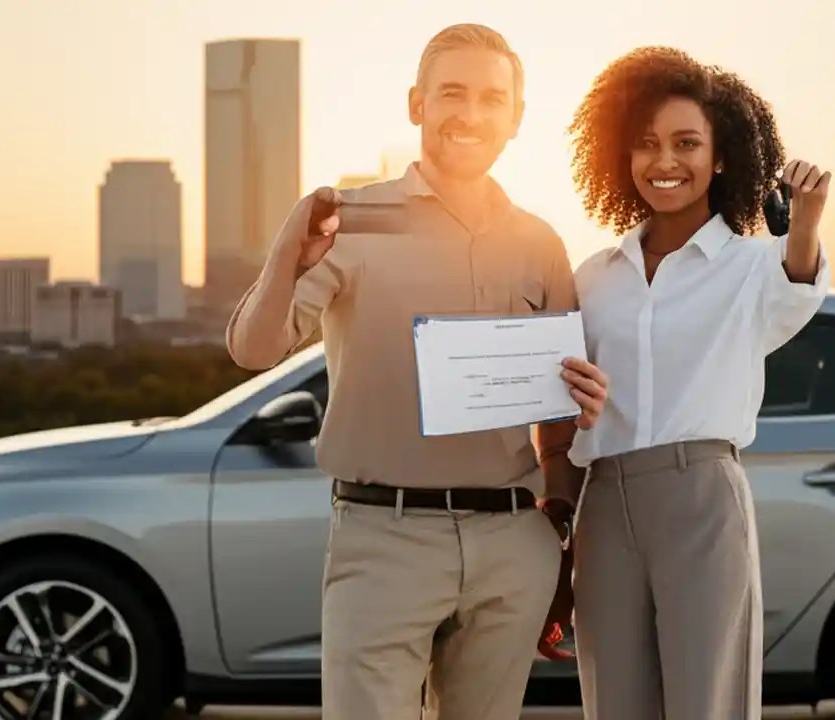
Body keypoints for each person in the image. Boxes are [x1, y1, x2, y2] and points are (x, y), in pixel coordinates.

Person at [224, 23, 607, 720]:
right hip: (383, 539)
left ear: (516, 118)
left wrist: (557, 521)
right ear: (416, 104)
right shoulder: (355, 220)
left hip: (512, 541)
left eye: (492, 98)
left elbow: (556, 411)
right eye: (451, 93)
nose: (470, 114)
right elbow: (254, 349)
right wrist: (288, 249)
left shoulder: (541, 243)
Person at [559, 46, 832, 720]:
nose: (665, 162)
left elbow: (797, 287)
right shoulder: (593, 277)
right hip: (603, 503)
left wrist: (806, 223)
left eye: (687, 143)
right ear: (621, 157)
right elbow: (558, 400)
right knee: (612, 703)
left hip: (701, 496)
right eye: (646, 144)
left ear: (721, 157)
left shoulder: (751, 267)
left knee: (705, 702)